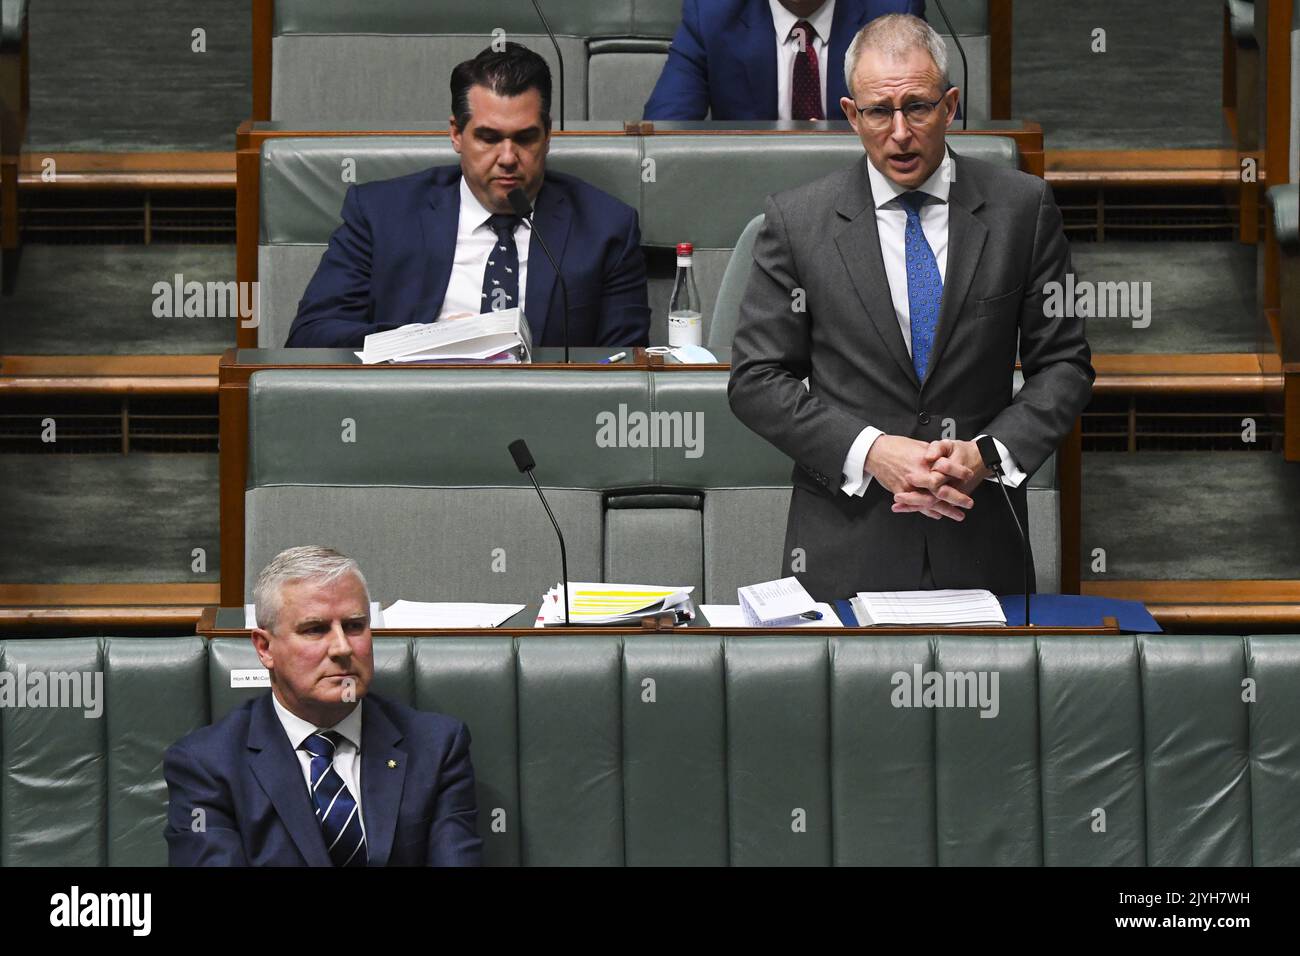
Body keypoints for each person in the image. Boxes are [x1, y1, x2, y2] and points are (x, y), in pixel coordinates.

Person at [728, 14, 1094, 601]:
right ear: (851, 115)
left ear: (950, 107)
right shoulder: (798, 222)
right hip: (845, 551)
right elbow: (755, 380)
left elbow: (1065, 365)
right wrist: (871, 451)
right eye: (879, 112)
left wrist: (988, 455)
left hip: (980, 540)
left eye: (918, 107)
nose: (900, 132)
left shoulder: (1022, 210)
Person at [286, 43, 651, 349]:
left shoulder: (607, 228)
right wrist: (424, 340)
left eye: (525, 138)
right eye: (489, 138)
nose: (508, 158)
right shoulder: (381, 214)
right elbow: (311, 336)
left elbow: (622, 365)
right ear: (457, 134)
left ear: (548, 135)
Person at [163, 546, 482, 866]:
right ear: (264, 648)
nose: (342, 648)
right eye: (315, 630)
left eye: (355, 626)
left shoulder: (436, 747)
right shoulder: (206, 765)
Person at [643, 0, 925, 121]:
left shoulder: (892, 9)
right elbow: (664, 131)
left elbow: (938, 124)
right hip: (752, 197)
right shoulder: (712, 13)